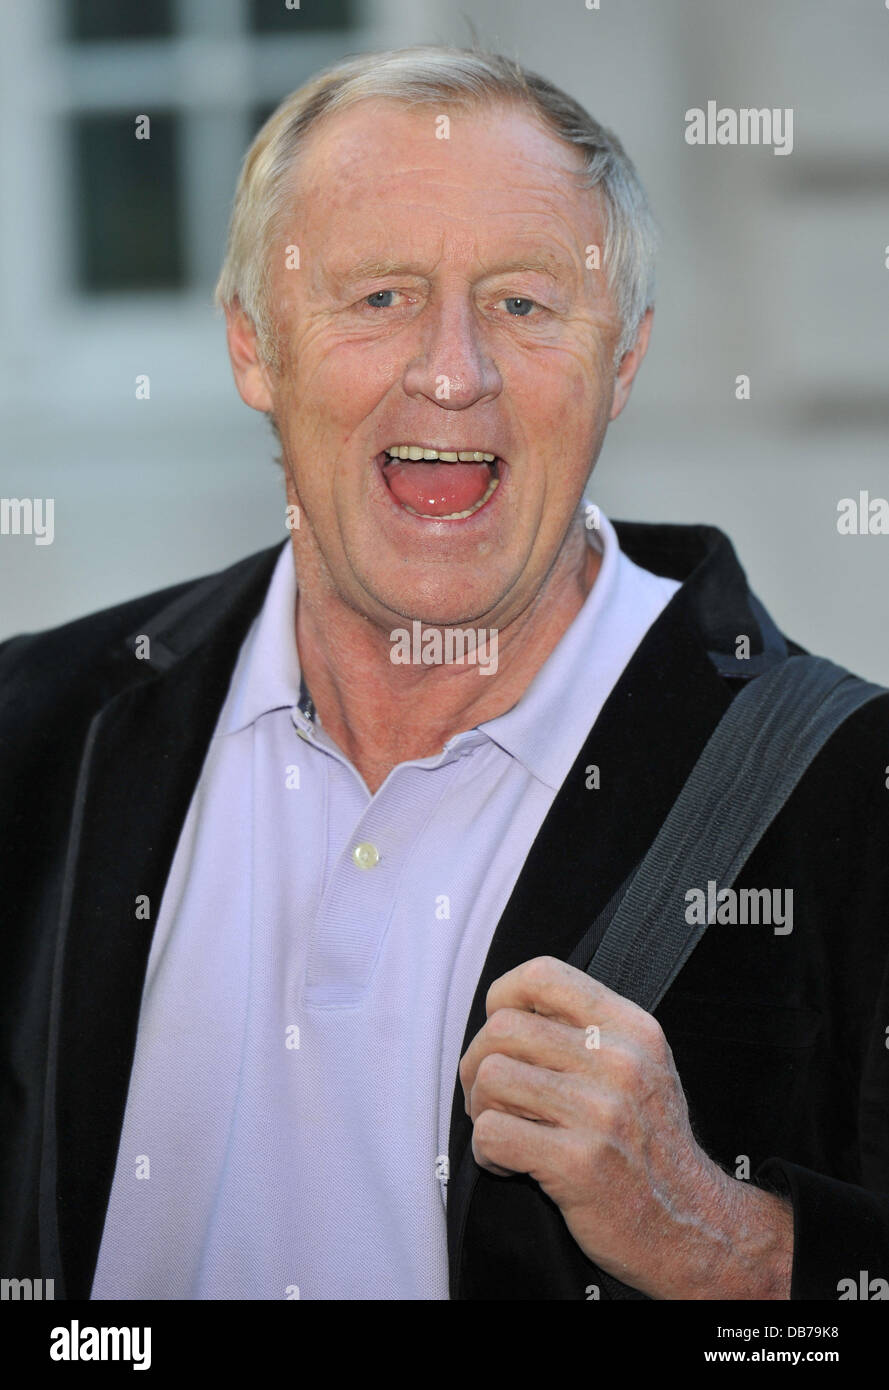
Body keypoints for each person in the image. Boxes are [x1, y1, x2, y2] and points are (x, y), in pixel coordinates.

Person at [2, 44, 888, 1302]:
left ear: (621, 361)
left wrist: (724, 1238)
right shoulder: (34, 734)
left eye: (525, 304)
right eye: (379, 297)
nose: (452, 372)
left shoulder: (848, 795)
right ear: (255, 348)